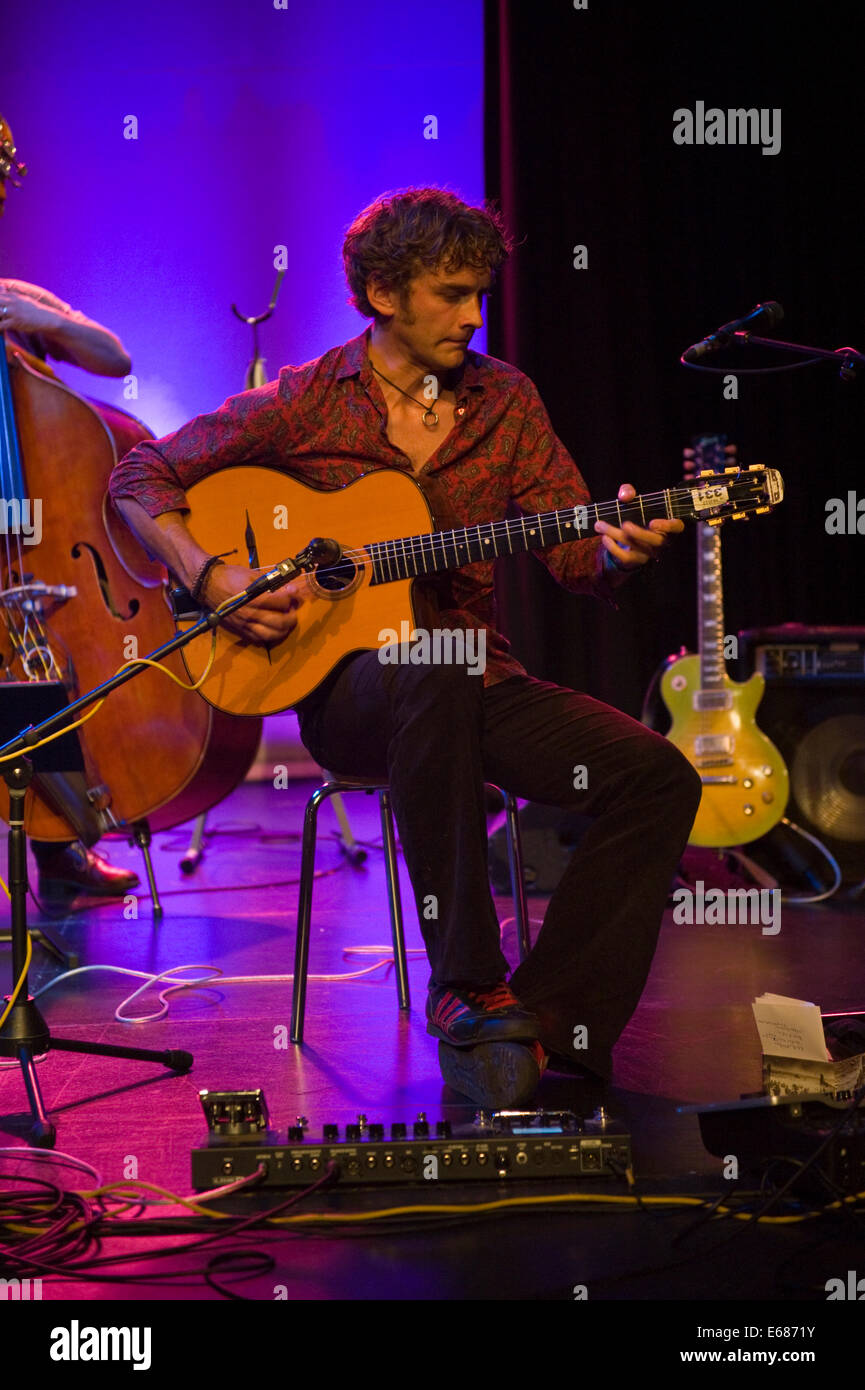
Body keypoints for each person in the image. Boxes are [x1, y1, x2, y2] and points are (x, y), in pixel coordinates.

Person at [109, 187, 702, 1106]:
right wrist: (209, 576)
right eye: (453, 295)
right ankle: (467, 980)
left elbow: (573, 556)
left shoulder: (505, 401)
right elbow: (139, 475)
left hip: (479, 680)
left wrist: (618, 550)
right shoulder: (308, 399)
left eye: (481, 296)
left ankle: (548, 1022)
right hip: (354, 702)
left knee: (656, 773)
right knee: (432, 668)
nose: (474, 317)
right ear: (383, 292)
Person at [0, 115, 139, 902]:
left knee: (42, 665)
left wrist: (41, 321)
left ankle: (60, 852)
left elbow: (115, 359)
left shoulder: (12, 300)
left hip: (34, 540)